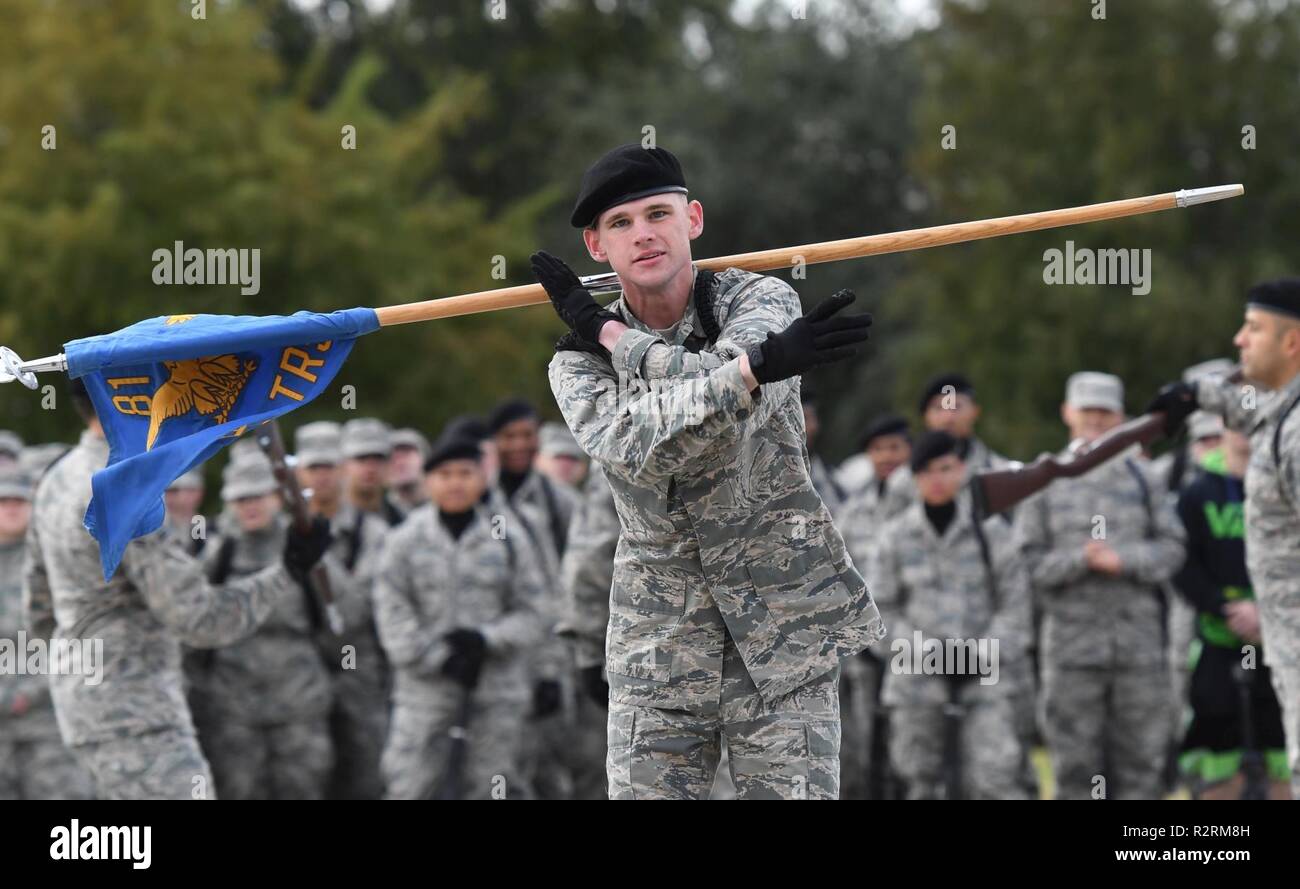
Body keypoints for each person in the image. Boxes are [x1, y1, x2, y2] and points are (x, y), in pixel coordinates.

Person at [539, 141, 879, 798]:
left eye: (657, 213)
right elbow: (640, 443)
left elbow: (721, 385)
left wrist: (618, 339)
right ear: (595, 245)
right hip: (657, 649)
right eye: (620, 223)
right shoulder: (575, 362)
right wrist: (752, 369)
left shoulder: (760, 301)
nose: (643, 234)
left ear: (692, 219)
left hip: (785, 630)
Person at [25, 378, 330, 799]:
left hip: (85, 704)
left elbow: (40, 607)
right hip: (136, 710)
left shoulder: (57, 479)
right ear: (125, 398)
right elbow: (198, 619)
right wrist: (287, 571)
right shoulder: (125, 487)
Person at [1148, 277, 1300, 797]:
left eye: (1253, 328)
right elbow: (1255, 411)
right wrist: (1195, 395)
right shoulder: (1284, 412)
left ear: (1291, 343)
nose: (1239, 339)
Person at [1016, 371, 1185, 799]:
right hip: (1071, 654)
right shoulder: (1045, 479)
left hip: (1139, 653)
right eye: (1086, 410)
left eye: (1104, 412)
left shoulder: (1144, 479)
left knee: (1142, 770)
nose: (1095, 419)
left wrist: (1124, 561)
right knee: (1075, 771)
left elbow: (1173, 548)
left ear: (1121, 417)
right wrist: (1080, 560)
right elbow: (1026, 563)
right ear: (1067, 414)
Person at [372, 433, 545, 799]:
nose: (455, 483)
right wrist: (441, 658)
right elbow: (392, 616)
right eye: (445, 474)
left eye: (465, 473)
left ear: (482, 478)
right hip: (424, 696)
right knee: (410, 787)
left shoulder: (508, 538)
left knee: (492, 788)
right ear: (428, 480)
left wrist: (486, 639)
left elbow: (534, 612)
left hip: (494, 693)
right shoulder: (403, 541)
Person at [868, 432, 1032, 799]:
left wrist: (979, 654)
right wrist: (928, 654)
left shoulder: (992, 534)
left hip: (985, 677)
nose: (937, 479)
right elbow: (878, 617)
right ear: (914, 478)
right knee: (921, 783)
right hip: (916, 681)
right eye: (927, 472)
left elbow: (1016, 611)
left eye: (945, 469)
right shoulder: (894, 538)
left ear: (961, 470)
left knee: (995, 779)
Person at [197, 453, 335, 800]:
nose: (250, 506)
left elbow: (342, 617)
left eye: (258, 496)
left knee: (304, 788)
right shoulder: (218, 554)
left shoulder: (302, 549)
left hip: (299, 704)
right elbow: (193, 623)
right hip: (234, 709)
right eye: (241, 498)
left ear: (277, 497)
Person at [1174, 428, 1289, 798]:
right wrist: (1224, 608)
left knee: (1279, 730)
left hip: (1278, 636)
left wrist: (1265, 611)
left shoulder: (1286, 483)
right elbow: (1182, 561)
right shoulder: (1197, 493)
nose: (1245, 432)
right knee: (1217, 725)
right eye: (1237, 422)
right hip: (1218, 634)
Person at [296, 420, 392, 800]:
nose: (322, 476)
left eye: (329, 466)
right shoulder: (282, 532)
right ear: (299, 472)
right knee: (304, 779)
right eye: (313, 467)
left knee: (366, 776)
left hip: (362, 672)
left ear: (342, 469)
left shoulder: (374, 533)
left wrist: (315, 553)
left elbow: (356, 607)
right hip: (298, 674)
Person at [0, 467, 94, 799]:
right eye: (3, 500)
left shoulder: (56, 562)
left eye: (19, 500)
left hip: (48, 720)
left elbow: (79, 635)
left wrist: (31, 690)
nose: (11, 507)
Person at [837, 412, 911, 798]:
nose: (886, 457)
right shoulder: (853, 511)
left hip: (914, 649)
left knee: (912, 751)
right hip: (864, 653)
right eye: (878, 450)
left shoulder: (921, 506)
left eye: (895, 448)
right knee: (865, 746)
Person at [342, 418, 404, 526]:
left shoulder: (401, 519)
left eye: (378, 458)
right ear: (344, 465)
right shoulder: (328, 520)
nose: (370, 468)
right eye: (361, 458)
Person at [387, 428, 430, 517]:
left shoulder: (445, 506)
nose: (399, 462)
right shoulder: (380, 514)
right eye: (392, 456)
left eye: (406, 453)